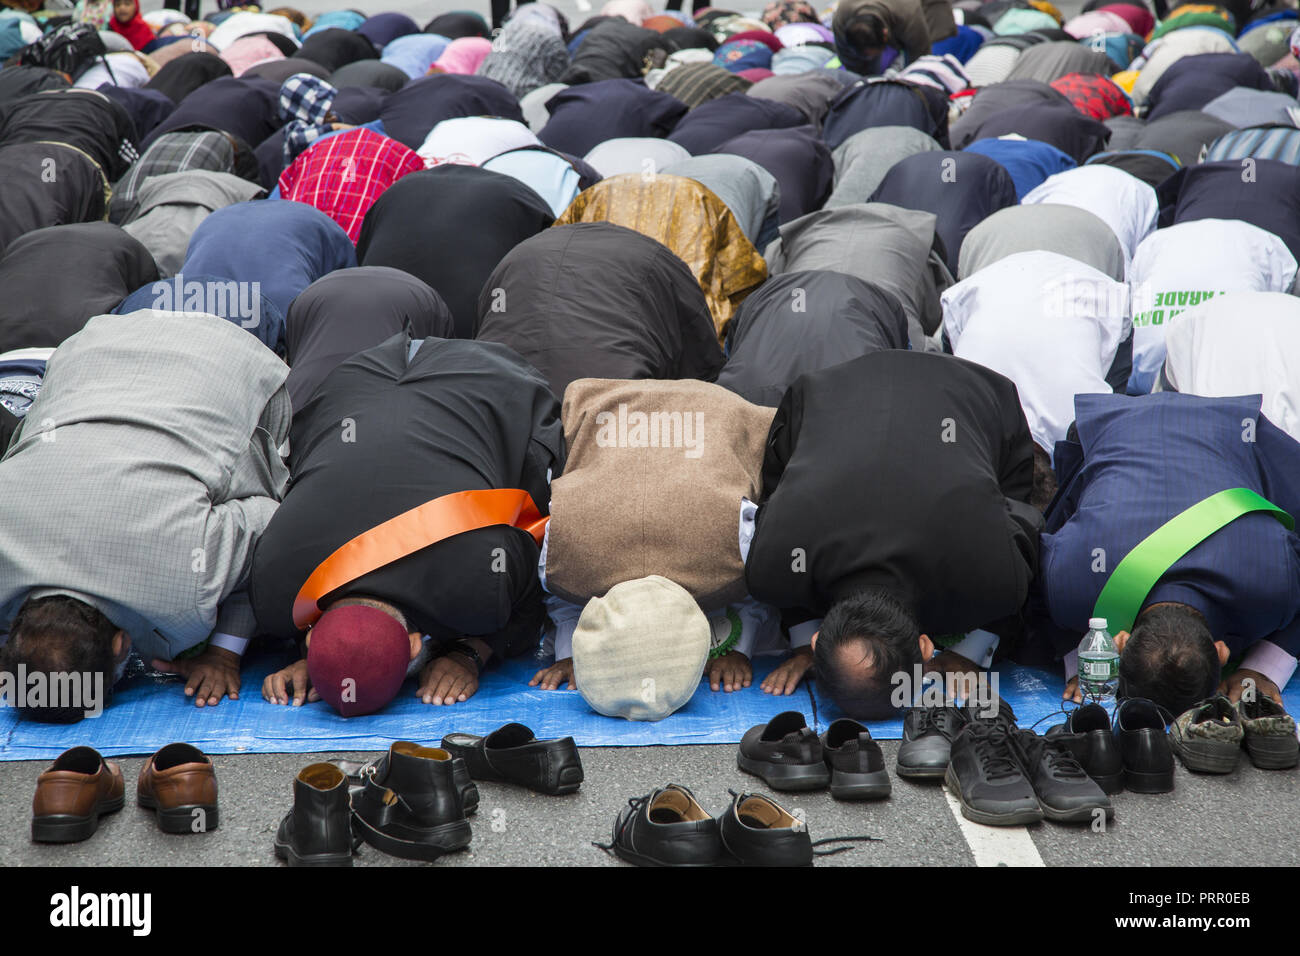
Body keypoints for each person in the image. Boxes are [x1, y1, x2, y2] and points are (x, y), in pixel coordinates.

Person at [252, 332, 564, 715]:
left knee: (549, 497)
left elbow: (532, 604)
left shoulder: (481, 574)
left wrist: (469, 653)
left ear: (418, 646)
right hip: (353, 377)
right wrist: (326, 659)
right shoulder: (274, 591)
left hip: (498, 383)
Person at [0, 310, 290, 719]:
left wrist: (224, 651)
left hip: (231, 356)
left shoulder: (184, 592)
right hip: (98, 343)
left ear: (121, 645)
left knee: (279, 475)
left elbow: (272, 523)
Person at [743, 349, 1042, 716]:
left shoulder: (996, 580)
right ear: (927, 645)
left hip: (973, 393)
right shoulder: (774, 564)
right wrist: (971, 652)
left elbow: (1026, 517)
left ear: (926, 646)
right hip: (847, 387)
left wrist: (968, 654)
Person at [1036, 391, 1300, 715]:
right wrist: (1264, 667)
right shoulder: (1273, 581)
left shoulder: (1274, 581)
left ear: (1118, 642)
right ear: (1221, 652)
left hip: (1234, 431)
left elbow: (1036, 577)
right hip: (1136, 426)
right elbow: (1037, 579)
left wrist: (1262, 669)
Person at [832, 0, 956, 72]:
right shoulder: (841, 20)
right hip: (889, 14)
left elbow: (920, 59)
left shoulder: (908, 14)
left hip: (928, 8)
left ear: (885, 34)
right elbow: (850, 64)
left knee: (933, 62)